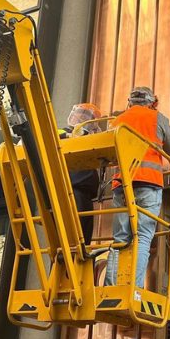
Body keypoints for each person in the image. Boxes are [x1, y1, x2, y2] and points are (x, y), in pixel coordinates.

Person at [105, 87, 170, 289]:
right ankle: (133, 288)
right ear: (152, 101)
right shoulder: (157, 118)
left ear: (130, 101)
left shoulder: (118, 120)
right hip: (149, 183)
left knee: (120, 238)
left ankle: (112, 287)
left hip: (122, 184)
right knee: (143, 237)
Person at [60, 103, 105, 246]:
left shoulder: (90, 138)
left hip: (85, 195)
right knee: (75, 240)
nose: (81, 119)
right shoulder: (62, 132)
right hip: (72, 190)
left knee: (84, 241)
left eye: (86, 116)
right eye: (80, 114)